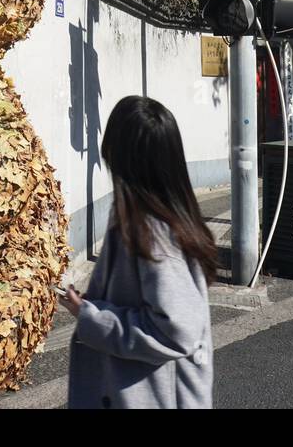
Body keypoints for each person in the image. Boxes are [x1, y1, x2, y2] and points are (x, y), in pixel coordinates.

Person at [62, 96, 216, 409]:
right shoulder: (151, 217)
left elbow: (176, 331)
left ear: (120, 156)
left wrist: (91, 316)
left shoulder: (154, 232)